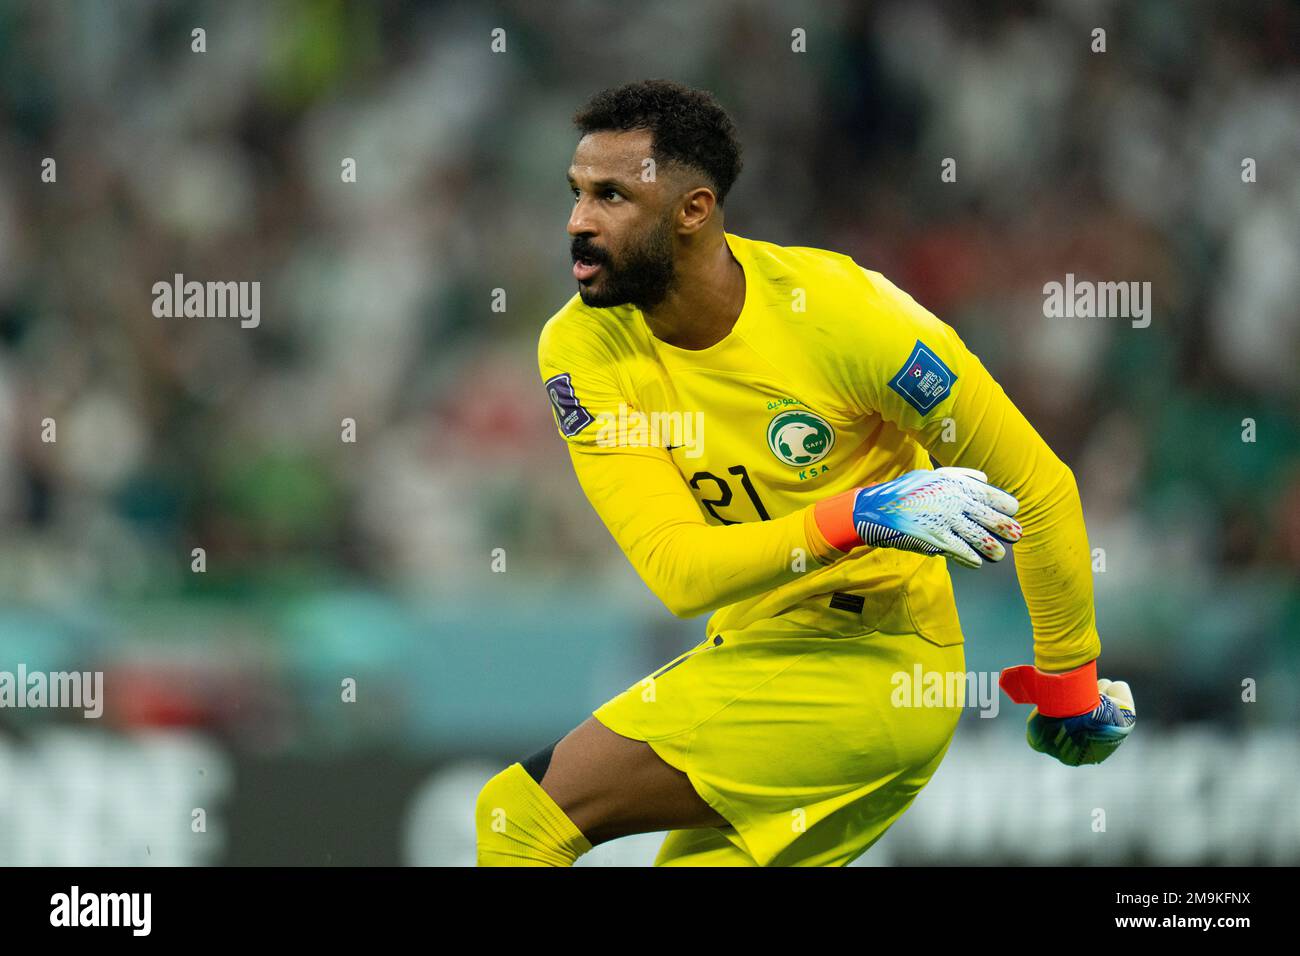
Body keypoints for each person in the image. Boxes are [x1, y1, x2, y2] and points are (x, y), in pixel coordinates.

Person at [476, 79, 1135, 867]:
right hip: (760, 656)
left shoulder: (848, 319)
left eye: (611, 196)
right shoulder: (582, 348)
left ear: (693, 210)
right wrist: (855, 514)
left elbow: (1036, 483)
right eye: (577, 193)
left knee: (519, 818)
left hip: (876, 666)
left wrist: (1069, 676)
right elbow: (680, 572)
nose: (578, 223)